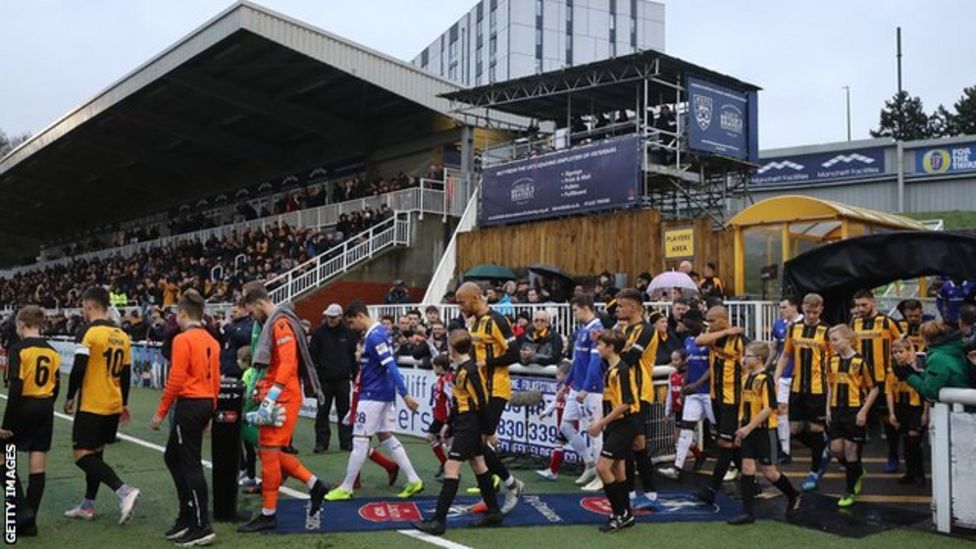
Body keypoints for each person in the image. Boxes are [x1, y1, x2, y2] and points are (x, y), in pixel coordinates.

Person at [236, 285, 327, 533]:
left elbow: (288, 363)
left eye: (251, 312)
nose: (252, 318)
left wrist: (271, 397)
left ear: (257, 304)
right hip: (280, 394)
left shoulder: (279, 323)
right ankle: (314, 485)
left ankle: (269, 513)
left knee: (268, 453)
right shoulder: (278, 322)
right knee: (270, 453)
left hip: (283, 397)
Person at [325, 301, 424, 502]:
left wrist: (405, 394)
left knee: (360, 439)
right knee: (386, 436)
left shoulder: (376, 335)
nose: (352, 328)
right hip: (382, 393)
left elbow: (391, 366)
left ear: (360, 316)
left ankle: (346, 487)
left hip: (373, 395)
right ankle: (413, 479)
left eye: (352, 323)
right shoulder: (378, 333)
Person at [412, 330, 503, 535]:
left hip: (469, 425)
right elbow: (461, 401)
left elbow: (481, 402)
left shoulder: (468, 371)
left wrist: (490, 432)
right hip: (466, 422)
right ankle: (494, 511)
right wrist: (449, 423)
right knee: (478, 464)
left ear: (453, 348)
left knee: (451, 468)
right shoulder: (463, 369)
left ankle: (438, 521)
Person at [63, 287, 140, 524]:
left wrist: (70, 396)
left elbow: (79, 367)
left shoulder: (88, 331)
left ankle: (123, 490)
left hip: (93, 403)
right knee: (96, 454)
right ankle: (88, 505)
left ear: (90, 306)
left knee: (82, 456)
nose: (83, 312)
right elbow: (126, 374)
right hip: (112, 403)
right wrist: (124, 403)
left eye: (83, 307)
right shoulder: (121, 334)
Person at [150, 290, 221, 545]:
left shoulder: (183, 339)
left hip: (190, 403)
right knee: (172, 456)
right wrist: (211, 409)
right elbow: (216, 379)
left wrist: (160, 413)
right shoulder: (212, 340)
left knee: (190, 463)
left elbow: (176, 379)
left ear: (182, 314)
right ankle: (188, 514)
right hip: (203, 402)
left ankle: (201, 523)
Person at [454, 282, 524, 513]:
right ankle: (494, 494)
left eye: (462, 302)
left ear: (475, 297)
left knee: (479, 445)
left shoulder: (497, 320)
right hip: (482, 390)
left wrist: (486, 363)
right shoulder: (476, 322)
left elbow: (514, 354)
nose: (460, 307)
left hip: (496, 390)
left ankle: (511, 485)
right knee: (477, 447)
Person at [0, 306, 60, 537]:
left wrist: (6, 424)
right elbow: (56, 388)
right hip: (45, 408)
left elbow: (15, 388)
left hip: (23, 406)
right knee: (37, 464)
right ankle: (30, 523)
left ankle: (21, 509)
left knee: (6, 458)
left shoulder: (18, 349)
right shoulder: (53, 351)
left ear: (23, 325)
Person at [727, 342, 802, 525]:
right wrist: (740, 429)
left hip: (764, 431)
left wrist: (748, 428)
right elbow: (743, 408)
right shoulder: (746, 378)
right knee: (747, 468)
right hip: (748, 430)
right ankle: (748, 512)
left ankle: (794, 494)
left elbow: (769, 408)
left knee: (769, 472)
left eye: (748, 355)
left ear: (758, 359)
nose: (744, 359)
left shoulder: (765, 379)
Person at [773, 293, 831, 491]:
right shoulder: (794, 328)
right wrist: (777, 377)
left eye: (815, 312)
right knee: (794, 429)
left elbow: (833, 361)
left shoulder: (826, 331)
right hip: (797, 386)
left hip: (818, 388)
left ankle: (814, 471)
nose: (812, 315)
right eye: (808, 311)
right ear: (802, 309)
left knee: (815, 429)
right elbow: (786, 354)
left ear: (821, 310)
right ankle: (823, 448)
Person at [587, 329, 640, 533]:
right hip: (616, 424)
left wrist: (600, 424)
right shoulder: (611, 369)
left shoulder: (622, 370)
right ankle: (626, 512)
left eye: (601, 345)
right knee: (618, 469)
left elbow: (626, 403)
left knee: (603, 468)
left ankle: (620, 514)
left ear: (610, 348)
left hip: (625, 424)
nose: (597, 348)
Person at [694, 305, 748, 504]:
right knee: (731, 442)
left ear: (724, 318)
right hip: (716, 395)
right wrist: (724, 331)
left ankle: (712, 488)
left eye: (713, 320)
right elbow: (698, 341)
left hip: (733, 398)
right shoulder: (714, 335)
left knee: (726, 443)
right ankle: (751, 481)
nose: (709, 324)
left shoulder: (740, 340)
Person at [615, 288, 661, 511]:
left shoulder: (647, 330)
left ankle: (647, 494)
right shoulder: (627, 329)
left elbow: (628, 359)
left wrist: (616, 353)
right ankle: (639, 493)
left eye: (621, 305)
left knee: (631, 443)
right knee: (636, 443)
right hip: (626, 392)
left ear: (633, 308)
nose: (618, 309)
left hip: (640, 394)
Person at [825, 324, 880, 508]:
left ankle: (849, 490)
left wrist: (863, 411)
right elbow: (831, 386)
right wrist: (827, 408)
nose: (832, 343)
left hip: (854, 410)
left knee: (850, 450)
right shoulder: (831, 361)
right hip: (836, 410)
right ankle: (856, 470)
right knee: (835, 450)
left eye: (835, 339)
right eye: (830, 340)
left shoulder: (860, 362)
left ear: (848, 339)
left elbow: (874, 388)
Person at [851, 289, 903, 473]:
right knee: (858, 420)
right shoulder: (855, 323)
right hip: (860, 381)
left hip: (882, 380)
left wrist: (896, 368)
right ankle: (855, 461)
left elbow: (903, 344)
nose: (861, 309)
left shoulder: (887, 322)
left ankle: (893, 454)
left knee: (887, 420)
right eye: (857, 305)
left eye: (864, 305)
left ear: (873, 302)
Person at [561, 294, 606, 491]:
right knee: (565, 426)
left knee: (595, 432)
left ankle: (602, 475)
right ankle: (589, 464)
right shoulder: (582, 330)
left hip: (592, 390)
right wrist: (567, 383)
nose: (574, 313)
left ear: (585, 308)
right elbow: (577, 360)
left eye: (575, 310)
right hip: (577, 387)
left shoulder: (597, 330)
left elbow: (595, 364)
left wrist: (587, 388)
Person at [659, 310, 710, 480]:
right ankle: (677, 467)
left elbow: (713, 367)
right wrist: (684, 387)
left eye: (687, 324)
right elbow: (690, 366)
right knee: (685, 428)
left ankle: (734, 464)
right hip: (694, 393)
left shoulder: (710, 339)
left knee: (723, 430)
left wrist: (697, 384)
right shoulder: (689, 341)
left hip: (709, 392)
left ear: (697, 322)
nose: (684, 327)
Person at [309, 304, 358, 453]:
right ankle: (321, 443)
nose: (330, 319)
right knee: (322, 411)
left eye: (333, 317)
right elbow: (313, 356)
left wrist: (355, 376)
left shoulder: (349, 333)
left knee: (344, 411)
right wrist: (315, 377)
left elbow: (353, 356)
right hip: (324, 379)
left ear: (340, 317)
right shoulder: (318, 333)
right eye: (328, 317)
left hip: (343, 379)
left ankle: (347, 442)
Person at [887, 338, 928, 486]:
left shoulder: (917, 368)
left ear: (909, 351)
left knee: (914, 440)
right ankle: (910, 472)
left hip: (915, 407)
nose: (898, 355)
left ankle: (919, 474)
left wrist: (925, 413)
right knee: (906, 441)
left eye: (901, 352)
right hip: (900, 407)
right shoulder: (892, 370)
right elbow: (889, 392)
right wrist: (891, 413)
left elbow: (925, 392)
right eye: (895, 352)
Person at [902, 320, 971, 402]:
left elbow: (930, 392)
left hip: (957, 408)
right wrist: (915, 373)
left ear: (927, 339)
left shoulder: (937, 358)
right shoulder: (955, 351)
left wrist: (908, 376)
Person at [770, 296, 802, 465]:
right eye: (780, 307)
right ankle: (785, 450)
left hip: (801, 376)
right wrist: (770, 366)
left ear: (794, 307)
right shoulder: (779, 325)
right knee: (781, 410)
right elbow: (776, 348)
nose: (782, 310)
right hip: (784, 375)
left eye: (784, 307)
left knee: (802, 419)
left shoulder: (804, 324)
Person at [537, 363, 572, 481]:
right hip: (561, 421)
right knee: (560, 444)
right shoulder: (560, 386)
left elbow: (573, 402)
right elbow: (555, 401)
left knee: (560, 444)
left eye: (559, 374)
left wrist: (565, 393)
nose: (557, 377)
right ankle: (553, 471)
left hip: (569, 422)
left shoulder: (571, 388)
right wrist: (546, 412)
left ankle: (553, 471)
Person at [237, 346, 260, 494]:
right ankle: (250, 474)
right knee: (252, 448)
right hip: (256, 414)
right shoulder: (257, 372)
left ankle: (244, 470)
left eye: (239, 359)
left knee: (246, 445)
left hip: (247, 415)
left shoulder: (248, 373)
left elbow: (244, 393)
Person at [428, 354, 454, 479]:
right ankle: (445, 464)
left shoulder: (447, 380)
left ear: (440, 367)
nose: (433, 369)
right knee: (431, 437)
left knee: (450, 445)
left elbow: (451, 401)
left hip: (445, 418)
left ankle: (450, 470)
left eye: (435, 367)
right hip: (439, 417)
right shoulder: (441, 379)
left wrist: (448, 421)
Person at [219, 302, 253, 378]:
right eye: (232, 312)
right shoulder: (232, 324)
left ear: (244, 310)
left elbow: (244, 337)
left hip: (239, 368)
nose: (232, 314)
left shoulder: (249, 323)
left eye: (235, 312)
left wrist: (228, 327)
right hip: (227, 367)